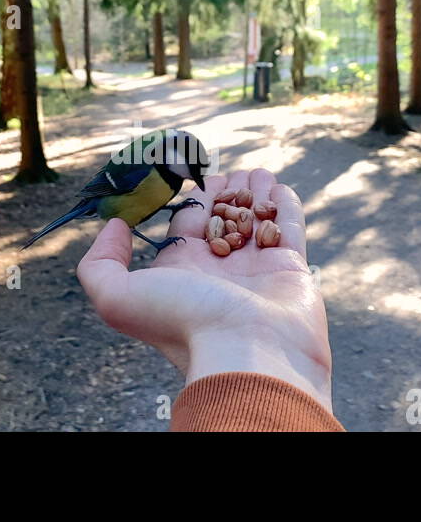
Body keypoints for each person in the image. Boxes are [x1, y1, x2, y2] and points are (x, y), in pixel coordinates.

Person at [77, 168, 344, 431]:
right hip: (108, 200)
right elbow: (123, 206)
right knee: (129, 216)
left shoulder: (170, 178)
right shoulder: (142, 168)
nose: (195, 174)